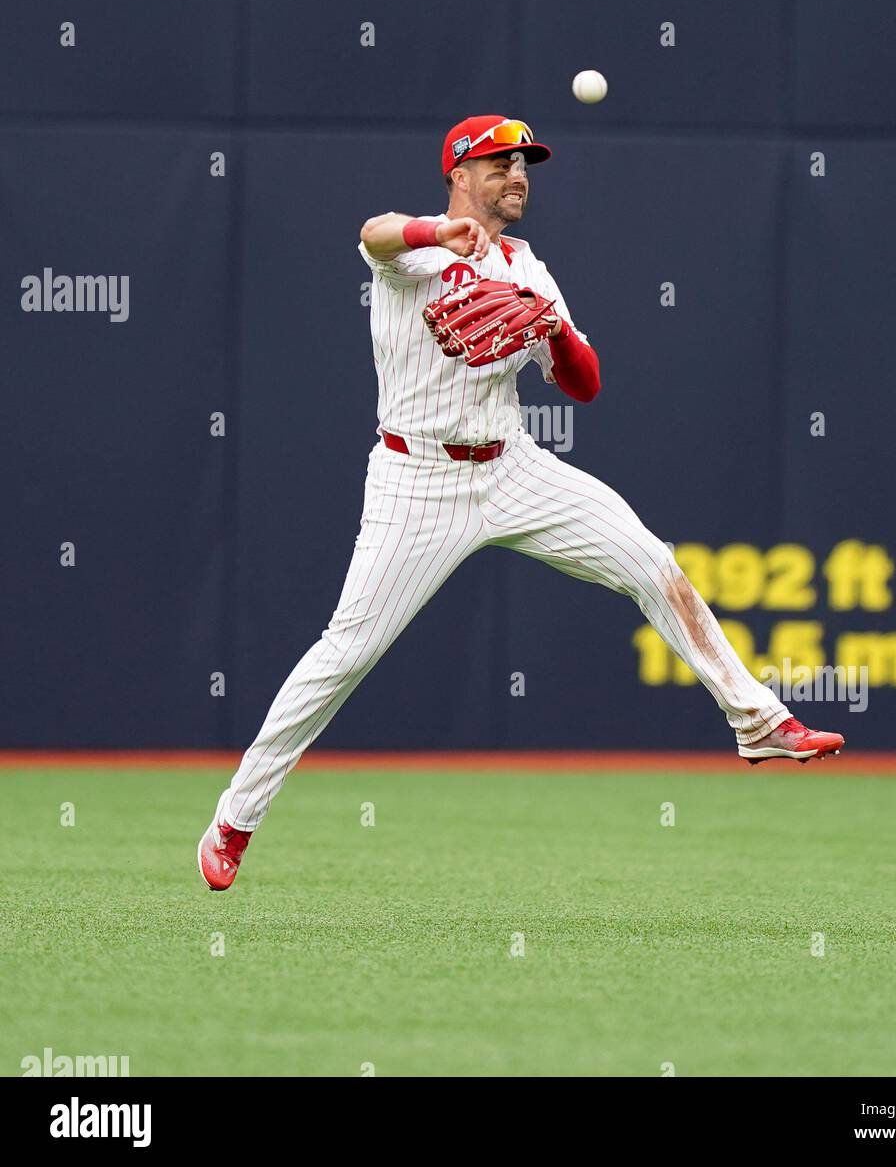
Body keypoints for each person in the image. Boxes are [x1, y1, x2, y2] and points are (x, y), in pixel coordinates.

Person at [198, 115, 844, 891]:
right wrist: (437, 231)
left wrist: (552, 331)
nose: (518, 175)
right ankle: (236, 817)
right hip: (417, 478)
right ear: (459, 173)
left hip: (512, 465)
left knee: (651, 562)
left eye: (525, 164)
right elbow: (372, 235)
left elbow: (584, 385)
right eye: (501, 162)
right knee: (346, 655)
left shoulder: (529, 269)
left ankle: (757, 723)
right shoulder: (419, 250)